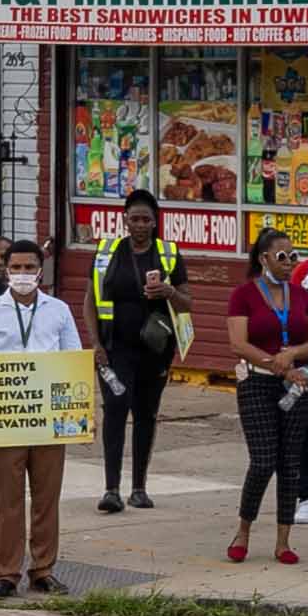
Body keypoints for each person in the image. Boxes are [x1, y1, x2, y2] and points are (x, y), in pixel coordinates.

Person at [0, 234, 84, 597]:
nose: (22, 274)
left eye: (29, 268)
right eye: (16, 268)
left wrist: (82, 411)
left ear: (40, 272)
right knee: (7, 500)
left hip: (48, 418)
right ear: (5, 271)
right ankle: (6, 573)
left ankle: (43, 569)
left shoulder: (58, 310)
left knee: (46, 497)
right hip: (5, 417)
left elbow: (74, 361)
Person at [225, 224, 308, 570]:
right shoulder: (244, 294)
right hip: (258, 382)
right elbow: (239, 343)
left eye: (293, 256)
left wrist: (294, 354)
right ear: (263, 258)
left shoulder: (302, 294)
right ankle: (243, 532)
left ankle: (283, 540)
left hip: (298, 384)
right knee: (263, 459)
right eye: (281, 256)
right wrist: (279, 365)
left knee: (290, 463)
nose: (288, 262)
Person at [92, 190, 181, 518]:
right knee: (115, 408)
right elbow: (91, 298)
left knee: (146, 413)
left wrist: (169, 291)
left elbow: (188, 301)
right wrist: (96, 343)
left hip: (155, 350)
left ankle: (139, 488)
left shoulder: (168, 254)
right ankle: (111, 489)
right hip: (114, 349)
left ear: (155, 222)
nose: (140, 225)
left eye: (146, 219)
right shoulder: (106, 252)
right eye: (134, 219)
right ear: (124, 220)